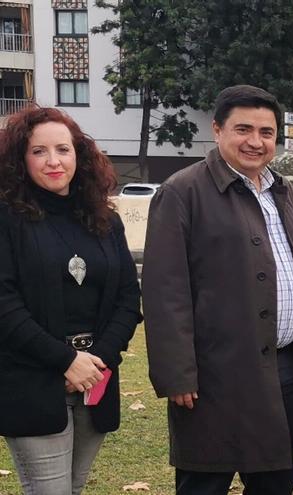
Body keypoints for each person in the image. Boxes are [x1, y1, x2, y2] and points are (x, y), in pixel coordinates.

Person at [142, 85, 293, 495]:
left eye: (266, 132)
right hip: (215, 377)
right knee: (205, 482)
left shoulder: (281, 190)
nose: (255, 141)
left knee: (276, 482)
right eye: (243, 129)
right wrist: (177, 374)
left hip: (286, 370)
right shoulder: (182, 192)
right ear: (217, 130)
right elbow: (164, 291)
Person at [0, 106, 142, 494]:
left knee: (73, 489)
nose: (53, 161)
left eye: (62, 149)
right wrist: (65, 362)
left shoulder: (104, 219)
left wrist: (95, 362)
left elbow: (129, 297)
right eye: (38, 151)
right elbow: (5, 305)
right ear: (20, 159)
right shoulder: (7, 218)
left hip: (94, 379)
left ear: (79, 154)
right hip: (32, 379)